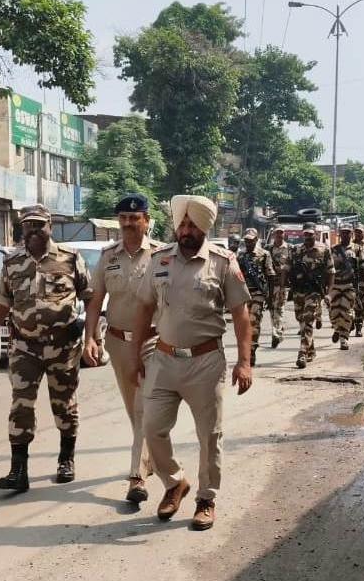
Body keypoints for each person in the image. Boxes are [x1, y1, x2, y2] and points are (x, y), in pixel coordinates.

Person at [128, 194, 252, 531]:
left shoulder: (223, 262)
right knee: (152, 429)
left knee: (209, 436)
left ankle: (206, 499)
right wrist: (136, 353)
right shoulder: (159, 260)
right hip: (164, 359)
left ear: (204, 228)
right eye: (181, 223)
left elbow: (241, 315)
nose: (185, 229)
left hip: (206, 362)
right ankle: (174, 483)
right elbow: (143, 308)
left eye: (192, 224)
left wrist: (245, 361)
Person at [0, 203, 93, 492]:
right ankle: (19, 471)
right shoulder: (12, 263)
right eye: (27, 225)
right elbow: (3, 301)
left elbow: (90, 297)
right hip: (24, 348)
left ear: (49, 227)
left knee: (64, 405)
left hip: (63, 348)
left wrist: (89, 332)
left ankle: (66, 460)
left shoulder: (70, 259)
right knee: (21, 405)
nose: (33, 230)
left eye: (38, 225)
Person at [83, 193, 160, 504]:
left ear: (146, 221)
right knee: (134, 409)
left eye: (135, 218)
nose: (128, 224)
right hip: (117, 341)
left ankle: (137, 477)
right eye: (124, 219)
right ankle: (151, 457)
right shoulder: (108, 256)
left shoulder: (160, 255)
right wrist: (91, 337)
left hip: (154, 341)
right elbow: (96, 300)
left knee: (143, 407)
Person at [290, 222, 334, 368]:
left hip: (314, 291)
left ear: (315, 233)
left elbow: (331, 272)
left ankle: (302, 353)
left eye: (310, 234)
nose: (308, 236)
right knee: (301, 320)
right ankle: (311, 349)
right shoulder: (296, 250)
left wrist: (328, 294)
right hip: (298, 291)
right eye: (306, 234)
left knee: (308, 319)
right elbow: (289, 269)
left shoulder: (324, 250)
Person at [237, 227, 276, 365]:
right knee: (243, 323)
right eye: (246, 240)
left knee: (254, 321)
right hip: (243, 293)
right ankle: (245, 350)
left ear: (256, 240)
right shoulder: (240, 256)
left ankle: (251, 350)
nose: (248, 243)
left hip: (258, 293)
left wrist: (270, 297)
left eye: (251, 240)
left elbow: (270, 276)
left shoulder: (264, 254)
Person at [329, 224, 364, 350]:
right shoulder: (333, 249)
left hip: (349, 285)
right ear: (340, 234)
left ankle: (344, 338)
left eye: (348, 232)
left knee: (346, 312)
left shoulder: (357, 249)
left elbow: (362, 267)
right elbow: (328, 269)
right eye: (343, 232)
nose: (345, 234)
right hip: (335, 285)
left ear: (351, 234)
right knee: (334, 313)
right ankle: (337, 328)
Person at [266, 225, 291, 348]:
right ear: (274, 234)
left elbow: (291, 266)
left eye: (281, 233)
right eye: (277, 233)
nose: (279, 235)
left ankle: (275, 334)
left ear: (284, 234)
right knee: (271, 310)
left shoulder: (289, 248)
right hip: (270, 285)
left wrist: (283, 269)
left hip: (283, 285)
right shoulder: (268, 249)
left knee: (279, 309)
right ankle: (278, 329)